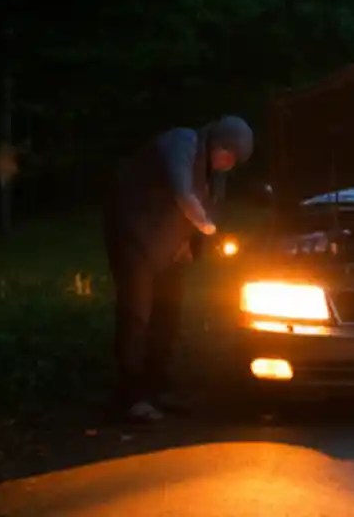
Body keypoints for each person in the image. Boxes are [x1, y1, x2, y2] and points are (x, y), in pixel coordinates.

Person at [101, 115, 254, 424]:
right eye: (228, 154)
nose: (229, 163)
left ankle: (158, 387)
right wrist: (206, 227)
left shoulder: (216, 173)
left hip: (171, 247)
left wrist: (191, 241)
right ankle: (131, 395)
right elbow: (182, 192)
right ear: (216, 143)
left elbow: (211, 205)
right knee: (136, 314)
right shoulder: (182, 143)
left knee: (168, 314)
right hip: (134, 236)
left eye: (235, 159)